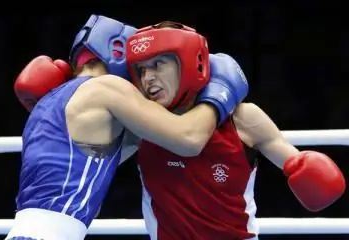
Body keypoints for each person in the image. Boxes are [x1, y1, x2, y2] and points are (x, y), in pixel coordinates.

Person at [8, 15, 248, 240]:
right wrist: (218, 94)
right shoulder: (107, 87)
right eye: (140, 67)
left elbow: (126, 146)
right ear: (118, 51)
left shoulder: (50, 102)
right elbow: (190, 138)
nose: (141, 78)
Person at [125, 22, 347, 239]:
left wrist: (308, 170)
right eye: (142, 69)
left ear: (186, 63)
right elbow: (95, 158)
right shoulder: (140, 126)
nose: (148, 77)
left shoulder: (243, 119)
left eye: (158, 64)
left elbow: (300, 166)